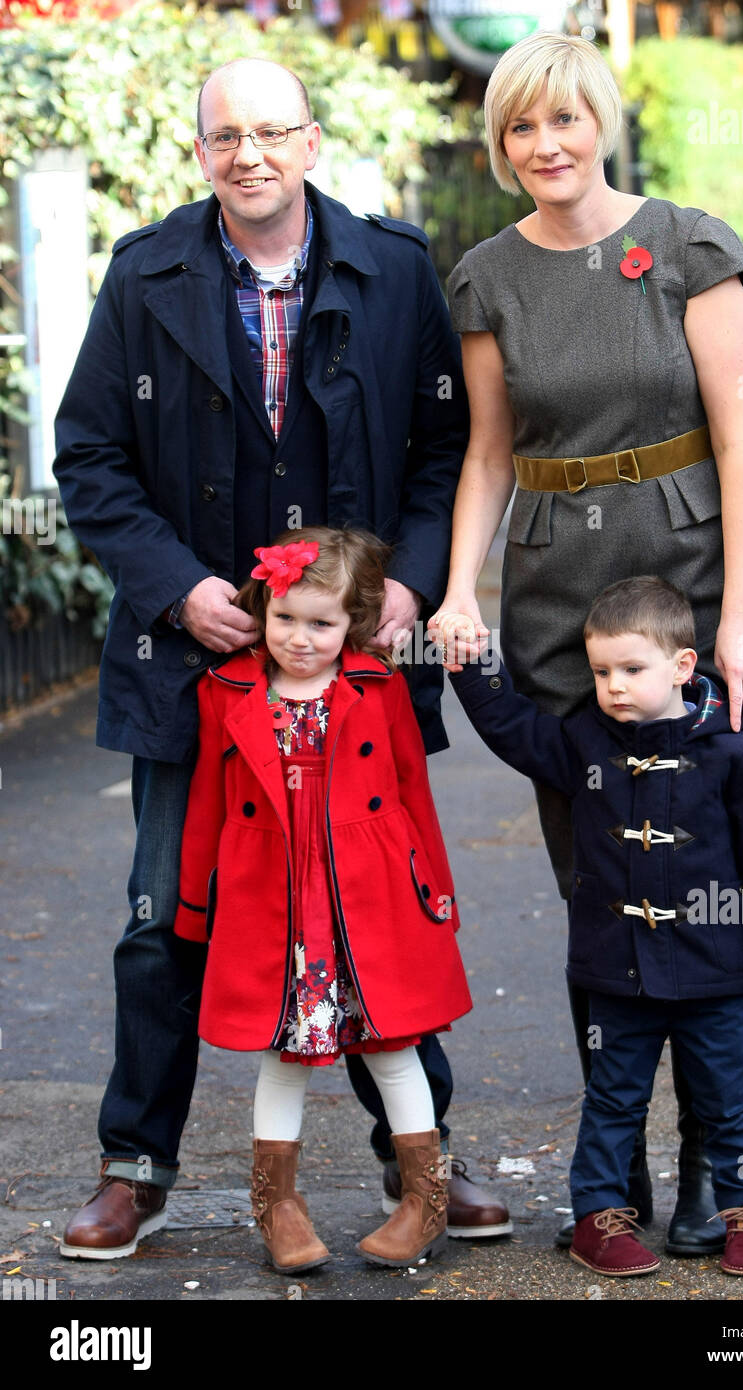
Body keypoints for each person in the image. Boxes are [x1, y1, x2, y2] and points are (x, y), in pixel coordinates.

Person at [54, 56, 509, 1260]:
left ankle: (423, 1162)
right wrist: (179, 586)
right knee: (166, 917)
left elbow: (443, 450)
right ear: (199, 152)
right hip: (187, 666)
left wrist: (406, 583)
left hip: (353, 670)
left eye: (270, 132)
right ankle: (133, 1168)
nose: (247, 154)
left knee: (372, 913)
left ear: (309, 141)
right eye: (224, 137)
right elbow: (89, 458)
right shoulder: (143, 274)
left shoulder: (395, 269)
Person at [429, 31, 743, 1253]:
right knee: (603, 894)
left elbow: (737, 437)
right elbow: (484, 453)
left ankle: (709, 1166)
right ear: (501, 142)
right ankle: (610, 1170)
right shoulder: (483, 276)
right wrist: (459, 589)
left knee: (701, 894)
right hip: (554, 608)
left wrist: (740, 622)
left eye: (563, 120)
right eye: (520, 128)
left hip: (682, 585)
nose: (544, 146)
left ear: (600, 120)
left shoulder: (685, 245)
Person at [447, 576, 743, 1276]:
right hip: (615, 972)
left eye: (631, 670)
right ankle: (600, 1218)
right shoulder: (587, 740)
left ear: (682, 666)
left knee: (728, 1103)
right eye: (601, 671)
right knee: (613, 1099)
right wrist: (468, 661)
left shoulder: (732, 749)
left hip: (717, 971)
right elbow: (512, 730)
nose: (613, 686)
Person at [172, 528, 472, 1270]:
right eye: (284, 619)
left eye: (321, 623)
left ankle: (424, 1200)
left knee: (393, 1045)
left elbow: (412, 793)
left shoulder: (379, 687)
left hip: (367, 898)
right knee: (286, 1052)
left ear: (355, 624)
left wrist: (434, 891)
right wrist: (193, 906)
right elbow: (206, 806)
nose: (299, 640)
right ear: (262, 611)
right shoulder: (227, 691)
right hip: (274, 902)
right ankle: (278, 1207)